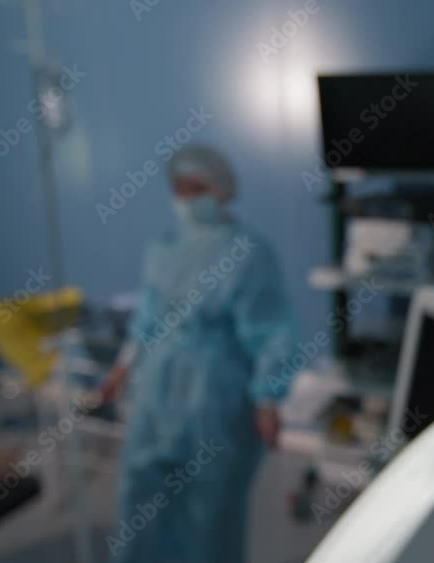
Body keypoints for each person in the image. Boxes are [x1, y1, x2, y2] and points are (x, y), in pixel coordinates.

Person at [101, 145, 296, 563]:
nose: (188, 198)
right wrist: (122, 366)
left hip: (215, 391)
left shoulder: (248, 253)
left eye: (198, 188)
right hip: (158, 388)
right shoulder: (164, 246)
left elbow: (270, 331)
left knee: (211, 505)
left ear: (223, 190)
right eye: (180, 188)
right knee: (142, 493)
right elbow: (148, 316)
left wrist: (268, 398)